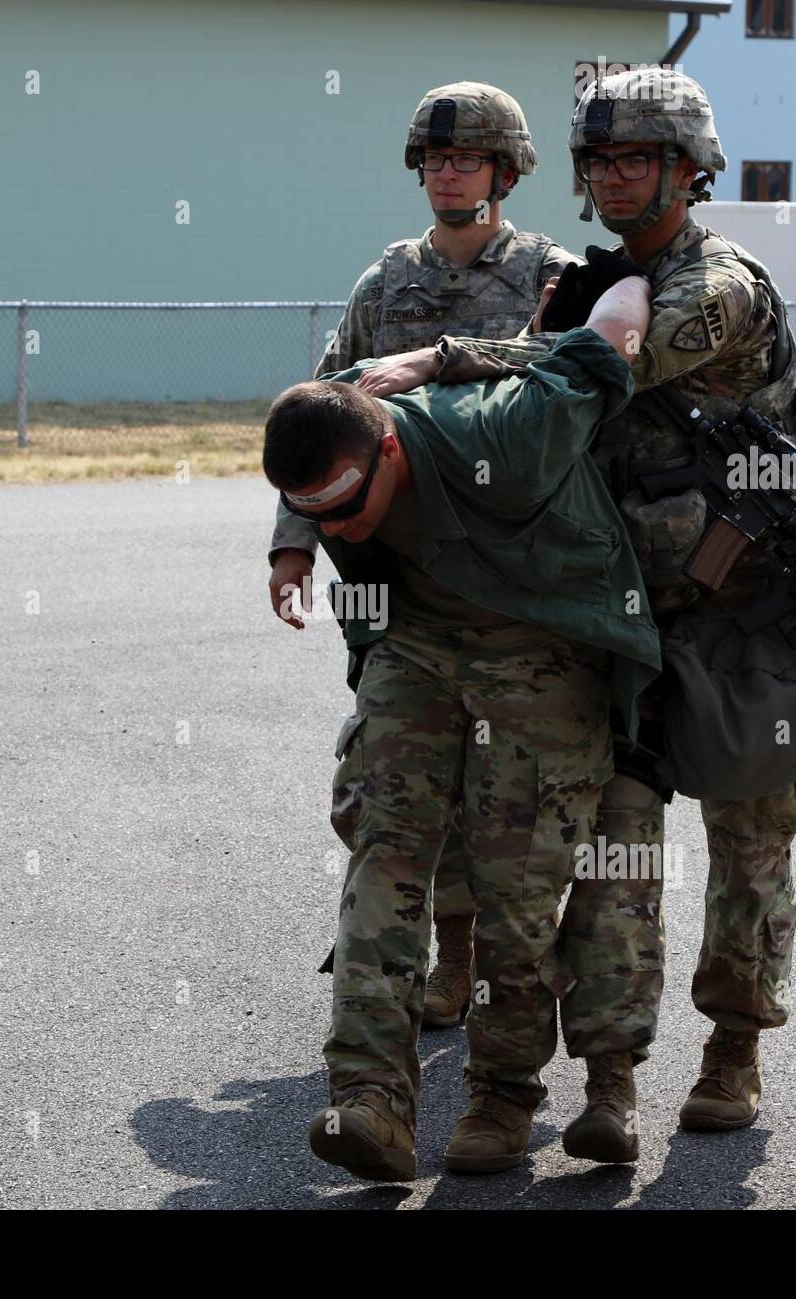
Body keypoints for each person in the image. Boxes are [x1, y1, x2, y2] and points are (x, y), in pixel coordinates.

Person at [356, 68, 796, 1151]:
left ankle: (735, 1047)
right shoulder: (586, 279)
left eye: (637, 161)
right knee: (618, 849)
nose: (614, 180)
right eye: (599, 163)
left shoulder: (719, 283)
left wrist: (438, 355)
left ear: (688, 169)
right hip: (621, 613)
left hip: (746, 615)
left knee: (750, 840)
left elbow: (595, 366)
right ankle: (611, 1082)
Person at [263, 277, 660, 1182]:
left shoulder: (506, 431)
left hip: (543, 636)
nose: (335, 528)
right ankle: (371, 1098)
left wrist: (626, 283)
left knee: (515, 882)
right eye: (313, 514)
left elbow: (604, 343)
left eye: (344, 509)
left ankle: (503, 1093)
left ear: (392, 446)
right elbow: (316, 477)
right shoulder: (345, 427)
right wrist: (294, 543)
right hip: (419, 639)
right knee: (383, 849)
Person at [268, 82, 581, 1031]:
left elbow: (573, 375)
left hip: (512, 573)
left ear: (507, 169)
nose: (447, 173)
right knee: (399, 773)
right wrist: (292, 546)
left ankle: (516, 964)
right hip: (389, 572)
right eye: (435, 160)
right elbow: (325, 416)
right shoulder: (385, 283)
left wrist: (444, 359)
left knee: (512, 788)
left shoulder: (552, 276)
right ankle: (447, 958)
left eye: (467, 159)